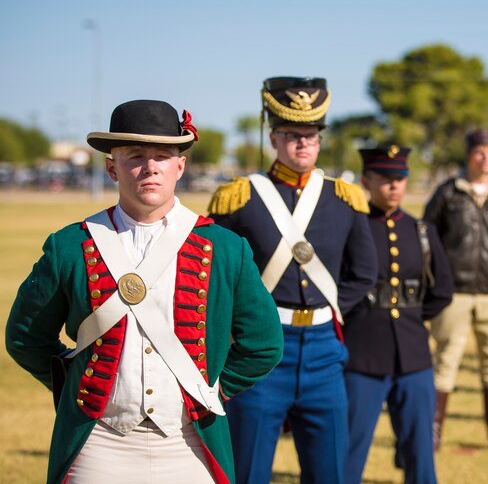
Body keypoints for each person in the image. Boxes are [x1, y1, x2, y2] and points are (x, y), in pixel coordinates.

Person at [6, 100, 283, 483]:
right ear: (111, 167)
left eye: (163, 156)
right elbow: (25, 337)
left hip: (189, 442)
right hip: (98, 442)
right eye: (135, 155)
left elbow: (265, 343)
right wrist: (77, 388)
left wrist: (213, 392)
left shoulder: (224, 248)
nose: (150, 167)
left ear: (180, 166)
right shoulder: (69, 246)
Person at [207, 77, 377, 484]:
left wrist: (331, 309)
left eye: (311, 135)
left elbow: (364, 272)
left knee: (331, 473)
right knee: (246, 472)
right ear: (274, 137)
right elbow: (213, 274)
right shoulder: (240, 198)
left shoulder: (345, 198)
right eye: (292, 135)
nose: (303, 144)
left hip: (323, 352)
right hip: (260, 350)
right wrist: (248, 322)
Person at [343, 144, 453, 484]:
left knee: (421, 450)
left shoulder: (422, 231)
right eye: (385, 178)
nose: (394, 186)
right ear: (366, 180)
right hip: (362, 354)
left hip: (413, 355)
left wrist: (412, 317)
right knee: (350, 449)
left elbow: (442, 290)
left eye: (400, 178)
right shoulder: (351, 228)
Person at [423, 129, 488, 452]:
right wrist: (440, 276)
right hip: (455, 293)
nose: (484, 158)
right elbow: (427, 234)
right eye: (478, 152)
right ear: (468, 155)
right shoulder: (448, 193)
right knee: (446, 361)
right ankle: (434, 433)